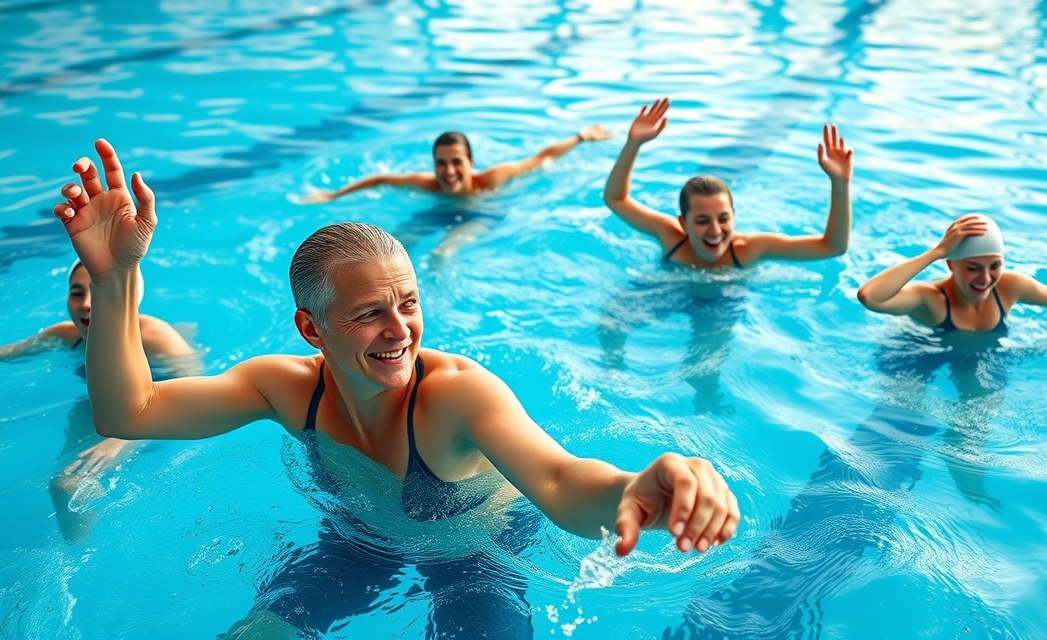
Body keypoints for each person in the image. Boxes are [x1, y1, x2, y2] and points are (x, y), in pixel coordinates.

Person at [52, 139, 739, 638]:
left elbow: (559, 481)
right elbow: (128, 411)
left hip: (476, 553)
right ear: (311, 329)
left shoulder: (456, 395)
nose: (399, 330)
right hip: (355, 541)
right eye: (368, 313)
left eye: (408, 303)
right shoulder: (285, 389)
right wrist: (115, 282)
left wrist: (635, 490)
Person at [0, 260, 196, 542]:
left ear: (127, 298)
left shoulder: (158, 341)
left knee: (67, 486)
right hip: (100, 402)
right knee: (64, 486)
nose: (86, 304)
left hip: (152, 406)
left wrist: (125, 438)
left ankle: (86, 555)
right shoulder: (65, 335)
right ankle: (82, 545)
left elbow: (189, 396)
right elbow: (10, 352)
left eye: (98, 291)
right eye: (77, 292)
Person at [602, 97, 854, 269]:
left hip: (724, 304)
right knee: (611, 323)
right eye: (702, 221)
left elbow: (832, 247)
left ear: (733, 216)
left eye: (723, 218)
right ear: (683, 223)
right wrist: (633, 144)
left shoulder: (750, 249)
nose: (715, 230)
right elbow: (615, 199)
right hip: (668, 289)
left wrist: (840, 184)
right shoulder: (670, 236)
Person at [856, 214, 1047, 359]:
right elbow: (870, 296)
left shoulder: (1008, 287)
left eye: (994, 265)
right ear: (951, 264)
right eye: (973, 268)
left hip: (978, 354)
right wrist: (936, 251)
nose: (985, 278)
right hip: (917, 351)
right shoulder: (929, 298)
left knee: (972, 433)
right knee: (903, 422)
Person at [300, 127, 612, 203]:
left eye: (456, 163)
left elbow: (541, 158)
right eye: (441, 164)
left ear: (471, 163)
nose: (448, 172)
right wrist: (333, 195)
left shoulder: (491, 179)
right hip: (439, 213)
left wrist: (581, 137)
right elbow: (381, 179)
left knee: (445, 252)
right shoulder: (428, 184)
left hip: (484, 211)